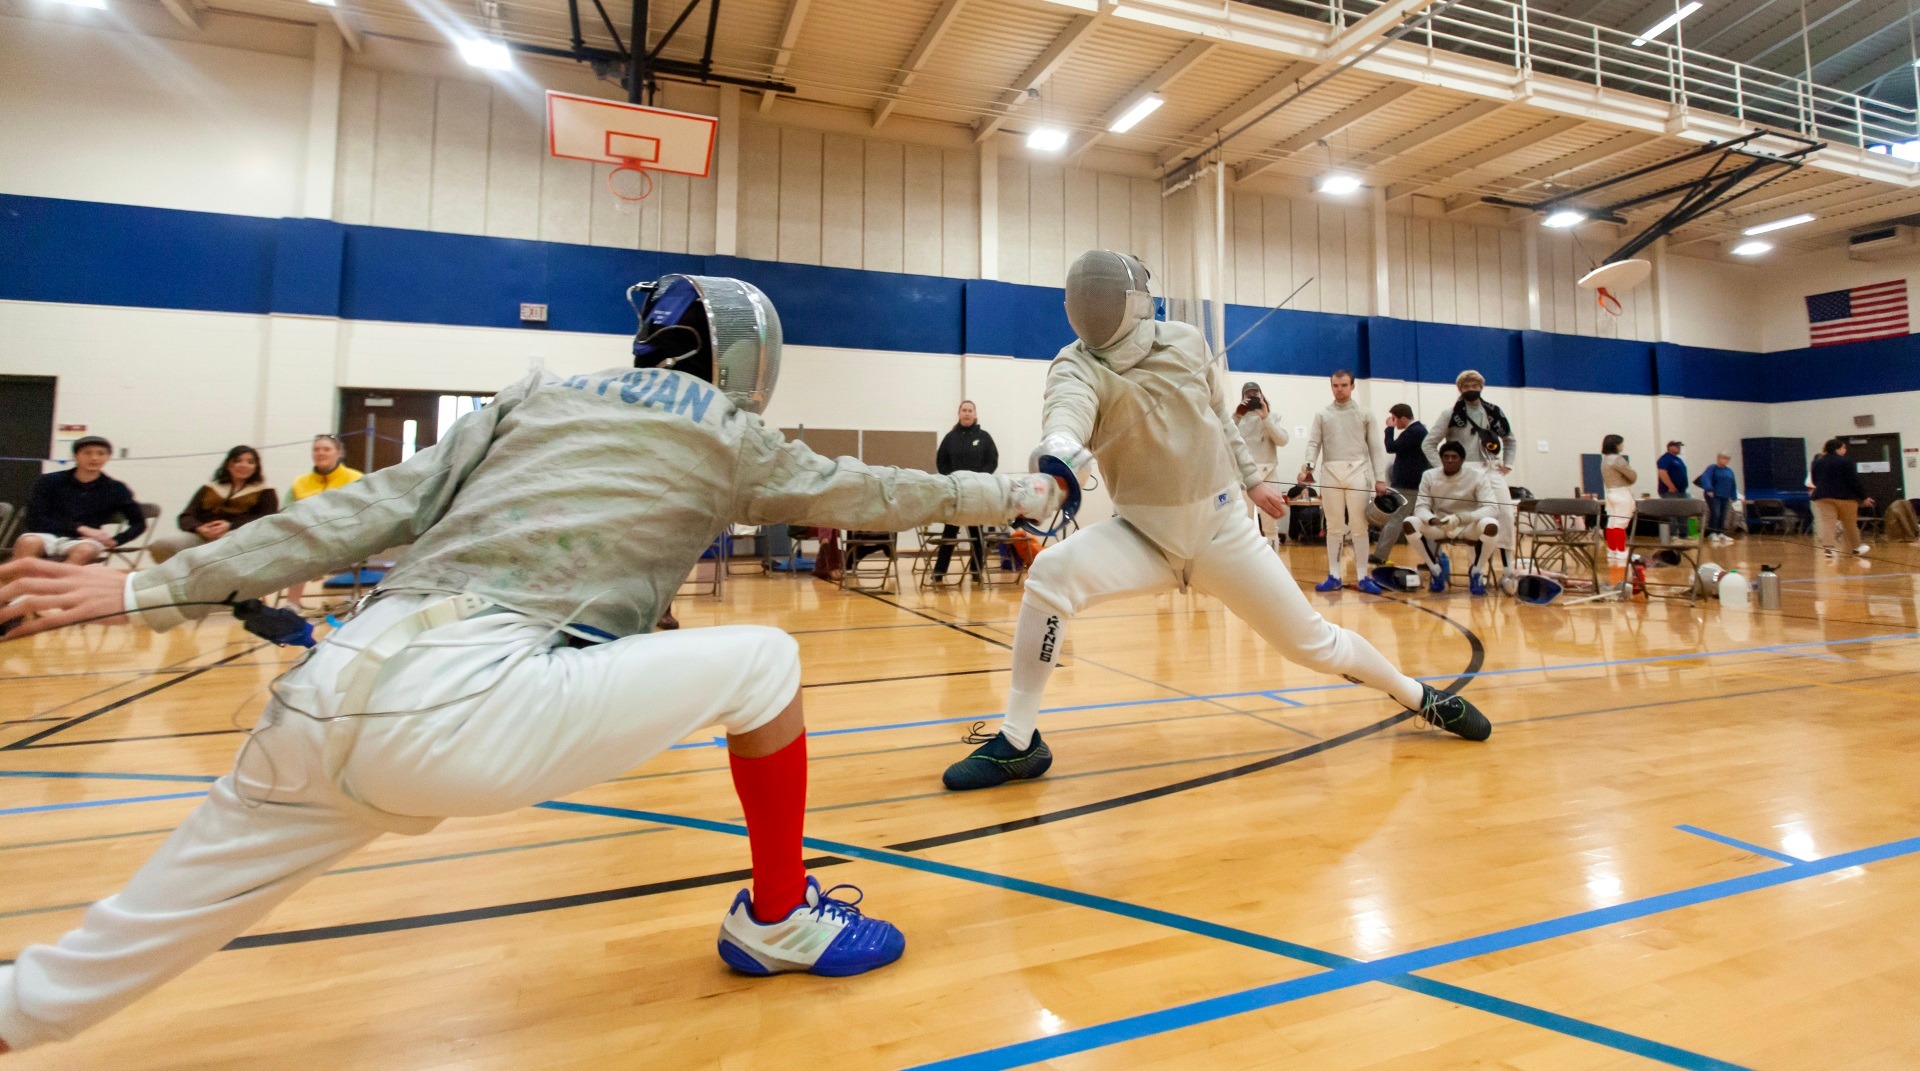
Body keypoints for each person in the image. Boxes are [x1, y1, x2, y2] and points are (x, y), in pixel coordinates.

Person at [0, 273, 1068, 1054]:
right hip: (467, 712)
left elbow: (370, 508)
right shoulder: (727, 433)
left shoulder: (530, 399)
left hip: (324, 699)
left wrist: (153, 587)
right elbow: (879, 493)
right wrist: (1023, 493)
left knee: (87, 967)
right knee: (769, 661)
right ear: (748, 362)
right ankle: (777, 916)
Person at [939, 249, 1491, 793]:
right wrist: (1059, 451)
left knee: (1314, 645)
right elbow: (1066, 412)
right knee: (1051, 576)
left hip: (1222, 529)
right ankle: (1018, 740)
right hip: (1143, 535)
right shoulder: (1077, 364)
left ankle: (1418, 696)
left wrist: (1251, 478)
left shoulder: (1185, 340)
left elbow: (1221, 421)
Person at [1297, 370, 1391, 594]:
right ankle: (1334, 575)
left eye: (1344, 385)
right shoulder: (1322, 414)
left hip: (1358, 472)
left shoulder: (1365, 414)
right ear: (1331, 386)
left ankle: (1362, 577)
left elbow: (1376, 448)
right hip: (1330, 473)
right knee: (1334, 527)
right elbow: (1313, 443)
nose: (1340, 389)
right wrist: (1308, 465)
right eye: (1336, 385)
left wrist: (1380, 479)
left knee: (1359, 527)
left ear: (1352, 386)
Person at [1423, 370, 1517, 569]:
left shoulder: (1493, 412)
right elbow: (1428, 443)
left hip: (1490, 468)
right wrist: (1445, 468)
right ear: (1460, 389)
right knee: (1474, 517)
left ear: (1481, 387)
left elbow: (1510, 439)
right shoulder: (1449, 414)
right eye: (1466, 387)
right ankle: (1478, 569)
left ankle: (1509, 568)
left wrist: (1507, 464)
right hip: (1464, 471)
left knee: (1506, 513)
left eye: (1475, 386)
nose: (1471, 389)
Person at [11, 436, 144, 566]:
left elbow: (139, 522)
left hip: (83, 541)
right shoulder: (49, 481)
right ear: (75, 456)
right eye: (87, 453)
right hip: (46, 535)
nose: (94, 458)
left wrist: (116, 540)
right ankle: (15, 581)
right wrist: (81, 528)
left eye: (101, 453)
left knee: (86, 550)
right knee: (28, 542)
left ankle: (56, 584)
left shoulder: (116, 488)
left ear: (108, 457)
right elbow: (34, 518)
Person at [150, 446, 280, 564]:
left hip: (238, 537)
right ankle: (181, 582)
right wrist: (199, 528)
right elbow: (186, 516)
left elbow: (267, 519)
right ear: (229, 464)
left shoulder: (265, 491)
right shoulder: (209, 488)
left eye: (250, 462)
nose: (244, 465)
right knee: (161, 545)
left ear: (256, 467)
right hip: (202, 535)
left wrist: (230, 525)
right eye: (238, 461)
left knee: (225, 544)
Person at [1406, 441, 1503, 596]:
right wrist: (1433, 520)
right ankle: (1435, 569)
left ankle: (1477, 571)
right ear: (1441, 458)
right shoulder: (1429, 476)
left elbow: (1492, 508)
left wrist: (1463, 517)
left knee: (1491, 525)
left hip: (1468, 526)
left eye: (1454, 457)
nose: (1449, 460)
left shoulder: (1477, 476)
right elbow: (1421, 507)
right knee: (1410, 523)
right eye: (1446, 456)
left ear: (1462, 460)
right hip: (1441, 526)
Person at [281, 435, 365, 608]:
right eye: (316, 449)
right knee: (296, 549)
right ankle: (292, 606)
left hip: (344, 539)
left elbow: (363, 514)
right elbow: (286, 513)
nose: (320, 453)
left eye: (326, 449)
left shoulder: (356, 478)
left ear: (339, 453)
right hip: (306, 539)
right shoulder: (300, 482)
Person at [932, 400, 999, 582]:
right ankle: (939, 571)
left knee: (976, 534)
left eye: (970, 410)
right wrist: (952, 480)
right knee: (949, 534)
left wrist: (980, 479)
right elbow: (941, 462)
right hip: (955, 494)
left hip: (977, 494)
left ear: (975, 414)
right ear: (959, 414)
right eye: (964, 410)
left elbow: (992, 461)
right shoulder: (950, 438)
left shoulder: (984, 437)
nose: (967, 413)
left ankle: (976, 570)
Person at [1372, 403, 1429, 566]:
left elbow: (1391, 447)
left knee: (1395, 519)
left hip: (1407, 485)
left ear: (1403, 418)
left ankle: (1380, 554)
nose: (1394, 422)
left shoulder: (1414, 431)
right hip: (1412, 484)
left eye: (1395, 419)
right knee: (1423, 521)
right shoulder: (1418, 431)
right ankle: (1431, 558)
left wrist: (1389, 429)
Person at [1234, 383, 1290, 550]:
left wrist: (1265, 417)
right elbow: (1223, 437)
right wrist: (1237, 415)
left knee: (1270, 524)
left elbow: (1282, 440)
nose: (1251, 397)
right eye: (1248, 394)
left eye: (1255, 394)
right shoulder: (1236, 419)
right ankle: (1249, 570)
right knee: (1246, 525)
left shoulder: (1272, 417)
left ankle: (1274, 567)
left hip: (1268, 473)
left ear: (1261, 395)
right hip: (1245, 476)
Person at [1809, 437, 1872, 560]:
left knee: (1828, 522)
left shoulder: (1817, 462)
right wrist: (1863, 497)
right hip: (1845, 497)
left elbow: (1814, 480)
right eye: (1843, 447)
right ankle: (1856, 547)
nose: (1845, 450)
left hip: (1822, 496)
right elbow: (1854, 482)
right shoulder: (1846, 462)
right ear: (1837, 448)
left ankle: (1829, 549)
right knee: (1850, 523)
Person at [1600, 434, 1637, 566]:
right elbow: (1632, 476)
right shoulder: (1617, 459)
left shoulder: (1604, 459)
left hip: (1610, 493)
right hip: (1621, 493)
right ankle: (1622, 551)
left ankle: (1612, 550)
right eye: (1621, 443)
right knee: (1620, 524)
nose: (1623, 446)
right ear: (1616, 445)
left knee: (1612, 522)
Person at [1695, 452, 1738, 546]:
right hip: (1714, 495)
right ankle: (1712, 533)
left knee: (1723, 514)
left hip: (1725, 495)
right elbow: (1706, 479)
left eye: (1727, 459)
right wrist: (1709, 489)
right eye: (1723, 458)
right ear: (1718, 458)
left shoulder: (1729, 470)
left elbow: (1732, 483)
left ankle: (1721, 532)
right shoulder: (1712, 468)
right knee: (1716, 513)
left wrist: (1734, 495)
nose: (1725, 460)